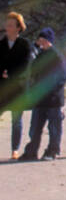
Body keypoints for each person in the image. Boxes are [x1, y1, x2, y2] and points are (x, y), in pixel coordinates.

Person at [18, 29, 66, 161]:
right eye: (40, 40)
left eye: (44, 40)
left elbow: (62, 76)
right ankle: (31, 151)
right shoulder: (39, 55)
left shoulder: (56, 56)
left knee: (54, 127)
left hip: (53, 99)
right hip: (39, 99)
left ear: (49, 41)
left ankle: (53, 151)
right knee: (35, 128)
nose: (41, 42)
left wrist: (50, 89)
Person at [0, 12, 32, 160]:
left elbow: (25, 66)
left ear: (18, 28)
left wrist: (10, 74)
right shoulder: (1, 44)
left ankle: (15, 149)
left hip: (18, 88)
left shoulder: (24, 45)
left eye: (11, 25)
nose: (7, 27)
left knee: (16, 121)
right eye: (7, 25)